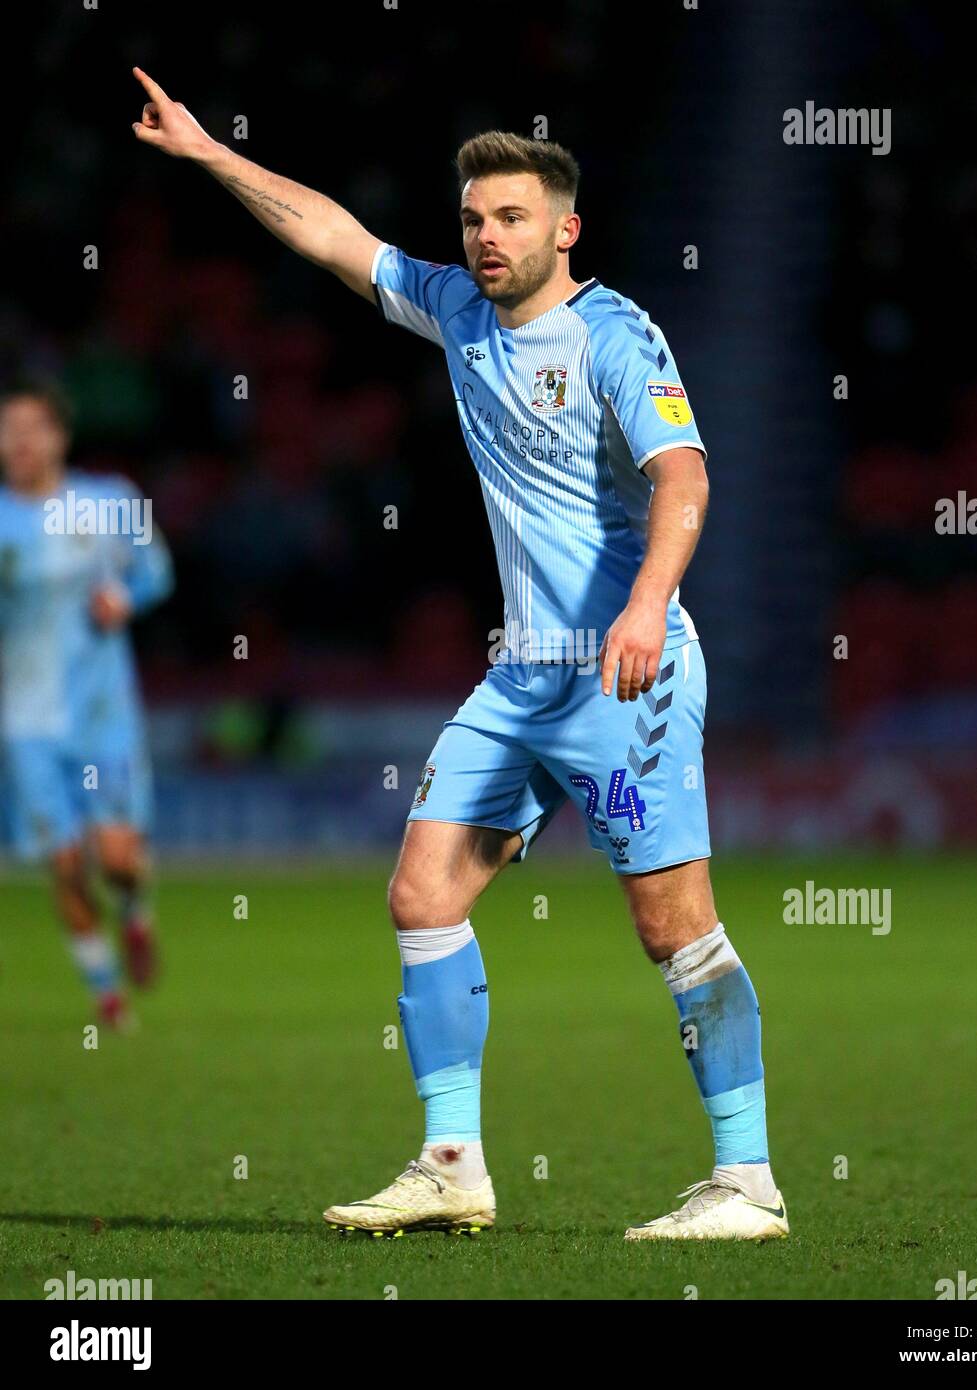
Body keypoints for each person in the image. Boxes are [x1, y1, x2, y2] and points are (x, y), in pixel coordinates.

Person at [132, 67, 787, 1241]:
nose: (486, 238)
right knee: (422, 892)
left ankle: (746, 1182)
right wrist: (212, 156)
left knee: (670, 923)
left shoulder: (617, 336)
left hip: (623, 671)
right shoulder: (458, 308)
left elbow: (683, 477)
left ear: (564, 228)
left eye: (512, 218)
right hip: (520, 676)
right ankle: (451, 1164)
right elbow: (336, 237)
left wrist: (645, 608)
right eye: (475, 219)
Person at [0, 380, 173, 1030]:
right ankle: (108, 999)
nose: (19, 441)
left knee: (120, 862)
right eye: (7, 428)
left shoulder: (109, 501)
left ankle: (135, 912)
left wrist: (125, 599)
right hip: (25, 722)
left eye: (32, 426)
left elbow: (156, 571)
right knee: (67, 868)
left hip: (103, 715)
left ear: (59, 436)